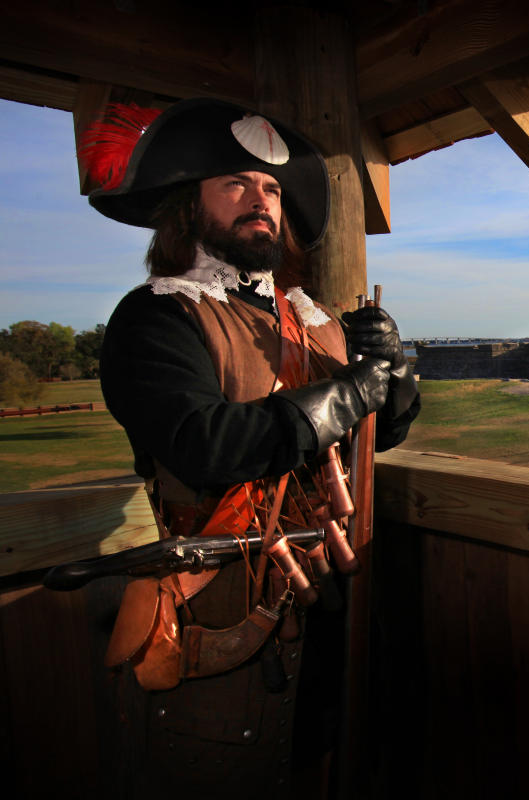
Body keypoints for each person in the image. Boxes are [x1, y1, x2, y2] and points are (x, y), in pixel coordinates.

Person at [83, 97, 419, 798]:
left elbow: (374, 437)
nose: (260, 200)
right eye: (236, 183)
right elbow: (202, 444)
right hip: (224, 609)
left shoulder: (315, 319)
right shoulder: (158, 315)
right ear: (188, 206)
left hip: (333, 596)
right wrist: (348, 395)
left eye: (269, 188)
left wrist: (396, 381)